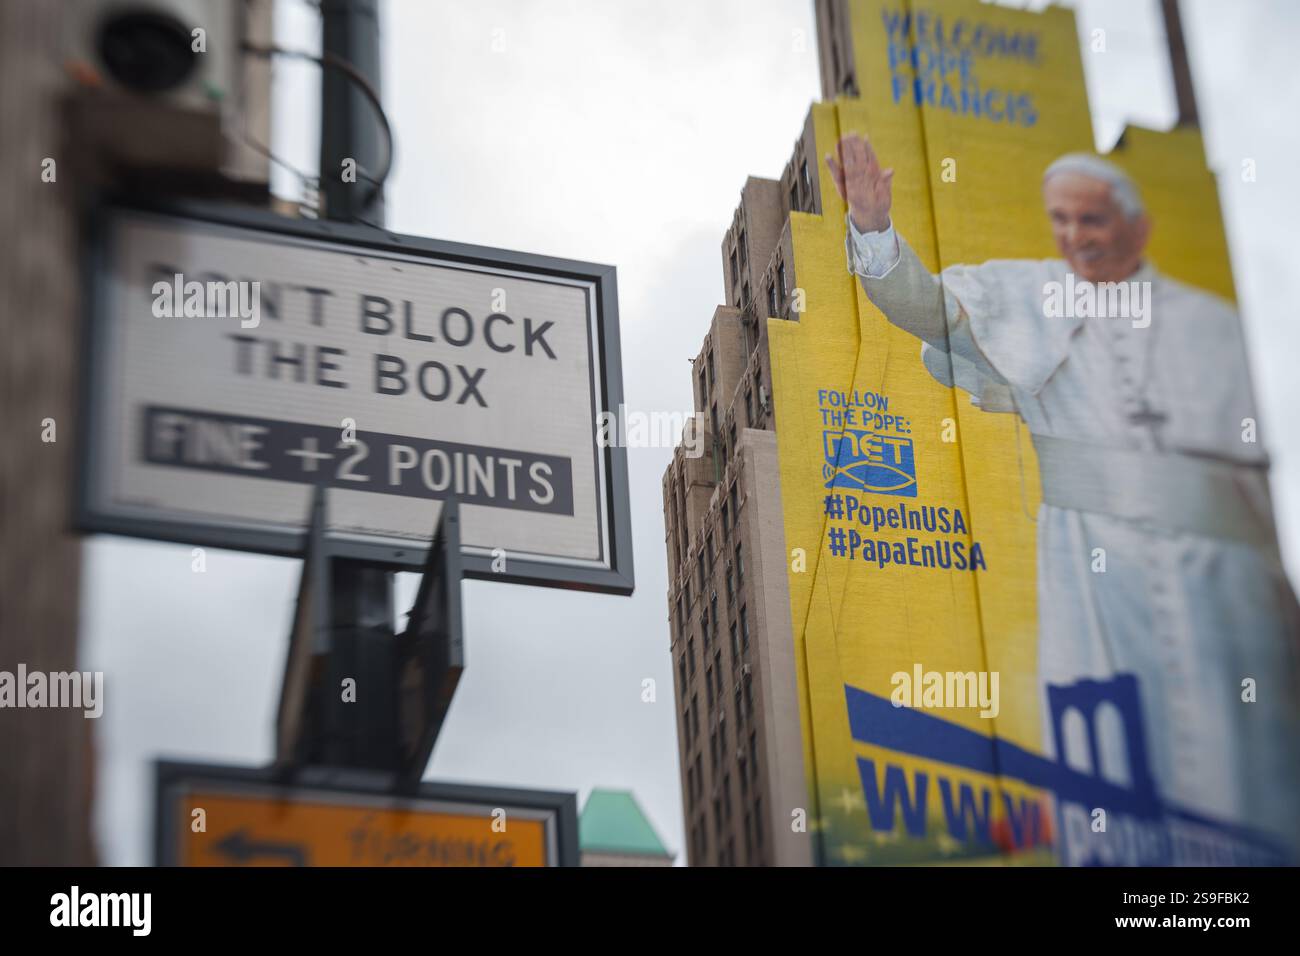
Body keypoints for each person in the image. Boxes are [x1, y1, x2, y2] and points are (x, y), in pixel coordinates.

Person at [826, 132, 1300, 856]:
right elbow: (928, 309)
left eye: (1093, 219)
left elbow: (1252, 493)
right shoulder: (1029, 295)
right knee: (1113, 766)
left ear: (1138, 227)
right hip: (1095, 569)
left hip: (1218, 591)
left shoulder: (1209, 324)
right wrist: (873, 227)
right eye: (1062, 219)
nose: (1074, 235)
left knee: (1240, 782)